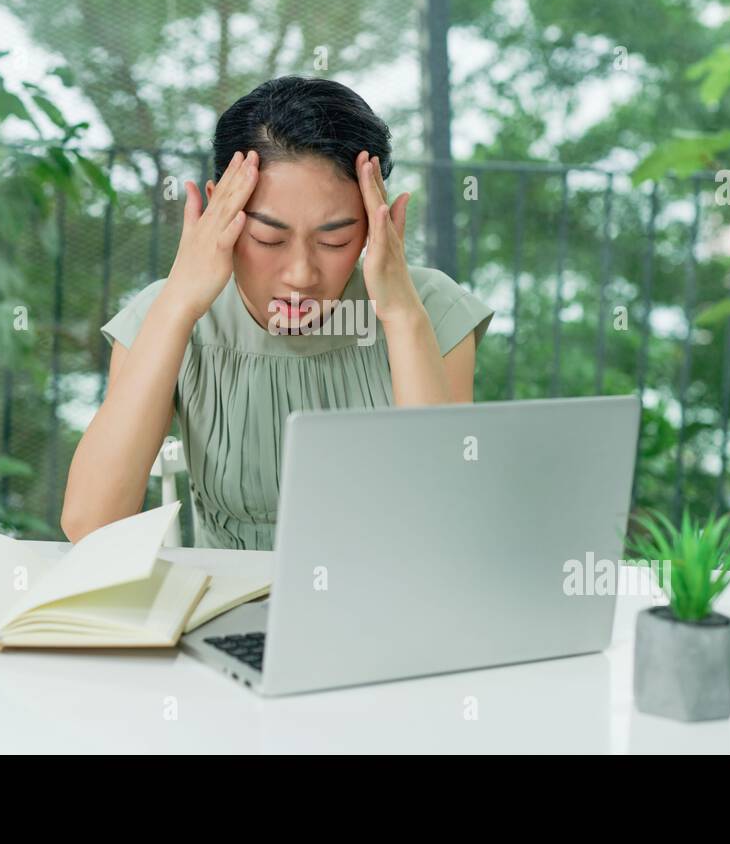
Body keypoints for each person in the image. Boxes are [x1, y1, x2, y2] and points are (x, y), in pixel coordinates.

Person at [61, 76, 494, 549]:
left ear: (375, 224)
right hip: (230, 610)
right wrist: (179, 304)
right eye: (269, 239)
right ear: (220, 214)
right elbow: (91, 523)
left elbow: (448, 523)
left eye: (335, 240)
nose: (301, 274)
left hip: (393, 608)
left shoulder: (428, 311)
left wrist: (402, 317)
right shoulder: (167, 315)